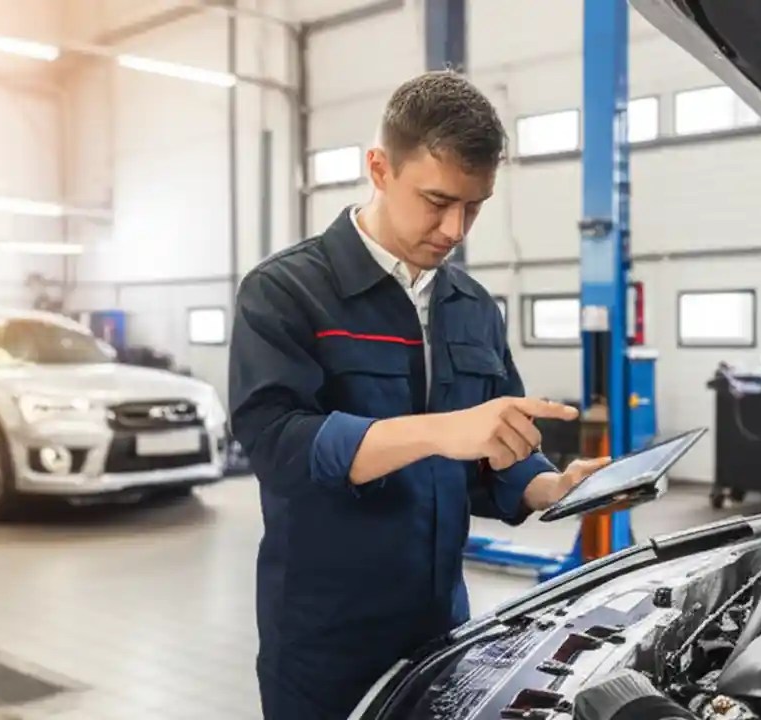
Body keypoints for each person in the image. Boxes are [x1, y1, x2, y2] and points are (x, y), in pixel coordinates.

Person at [228, 70, 611, 719]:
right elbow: (280, 448)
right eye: (437, 200)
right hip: (326, 644)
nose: (455, 227)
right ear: (379, 168)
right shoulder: (285, 293)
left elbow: (496, 452)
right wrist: (442, 431)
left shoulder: (472, 307)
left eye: (475, 205)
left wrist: (551, 487)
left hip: (441, 628)